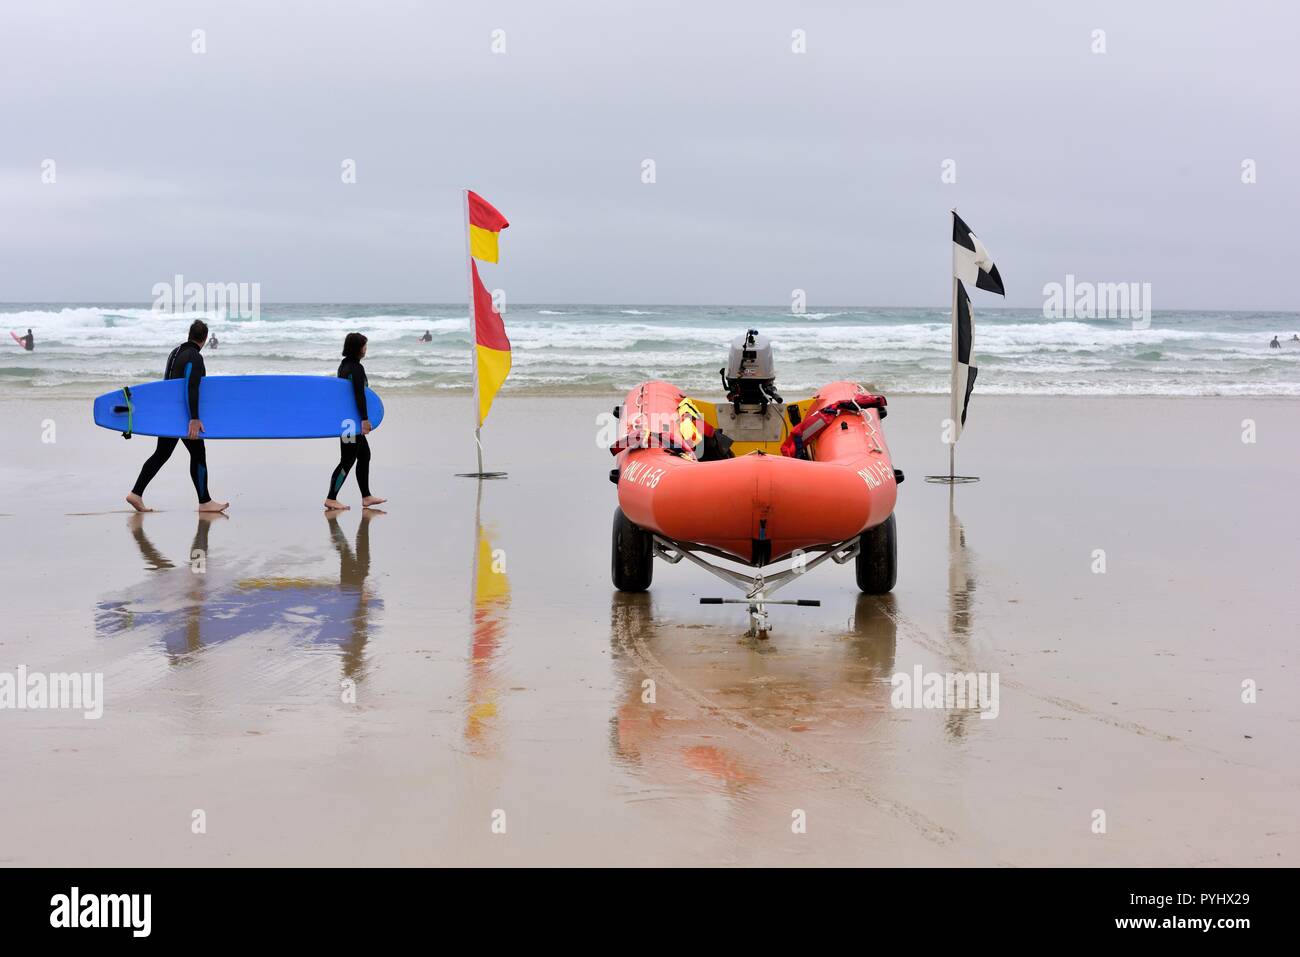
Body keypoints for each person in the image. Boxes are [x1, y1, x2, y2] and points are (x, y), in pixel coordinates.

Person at [125, 320, 229, 513]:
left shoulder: (175, 353)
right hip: (183, 417)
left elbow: (167, 385)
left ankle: (136, 493)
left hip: (168, 415)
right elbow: (191, 386)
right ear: (205, 339)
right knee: (198, 454)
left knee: (162, 454)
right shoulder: (194, 357)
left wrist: (163, 414)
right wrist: (194, 418)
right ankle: (204, 502)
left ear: (190, 334)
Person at [324, 332, 386, 510]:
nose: (366, 350)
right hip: (352, 423)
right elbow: (359, 396)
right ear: (357, 348)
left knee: (364, 455)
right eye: (364, 346)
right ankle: (331, 498)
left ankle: (366, 496)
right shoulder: (357, 369)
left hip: (347, 421)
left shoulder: (344, 366)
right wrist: (365, 420)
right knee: (348, 459)